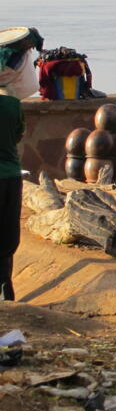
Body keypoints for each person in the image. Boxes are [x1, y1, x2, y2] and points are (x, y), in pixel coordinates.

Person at [0, 67, 25, 301]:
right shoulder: (13, 105)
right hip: (11, 176)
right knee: (8, 237)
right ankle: (7, 291)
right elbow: (18, 135)